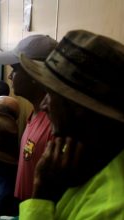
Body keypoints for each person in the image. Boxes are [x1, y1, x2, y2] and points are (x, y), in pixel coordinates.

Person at [18, 30, 124, 219]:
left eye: (50, 94)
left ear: (78, 108)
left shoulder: (109, 208)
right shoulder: (85, 161)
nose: (44, 104)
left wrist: (42, 195)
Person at [0, 35, 57, 201]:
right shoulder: (34, 113)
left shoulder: (55, 125)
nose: (10, 76)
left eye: (15, 70)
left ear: (35, 74)